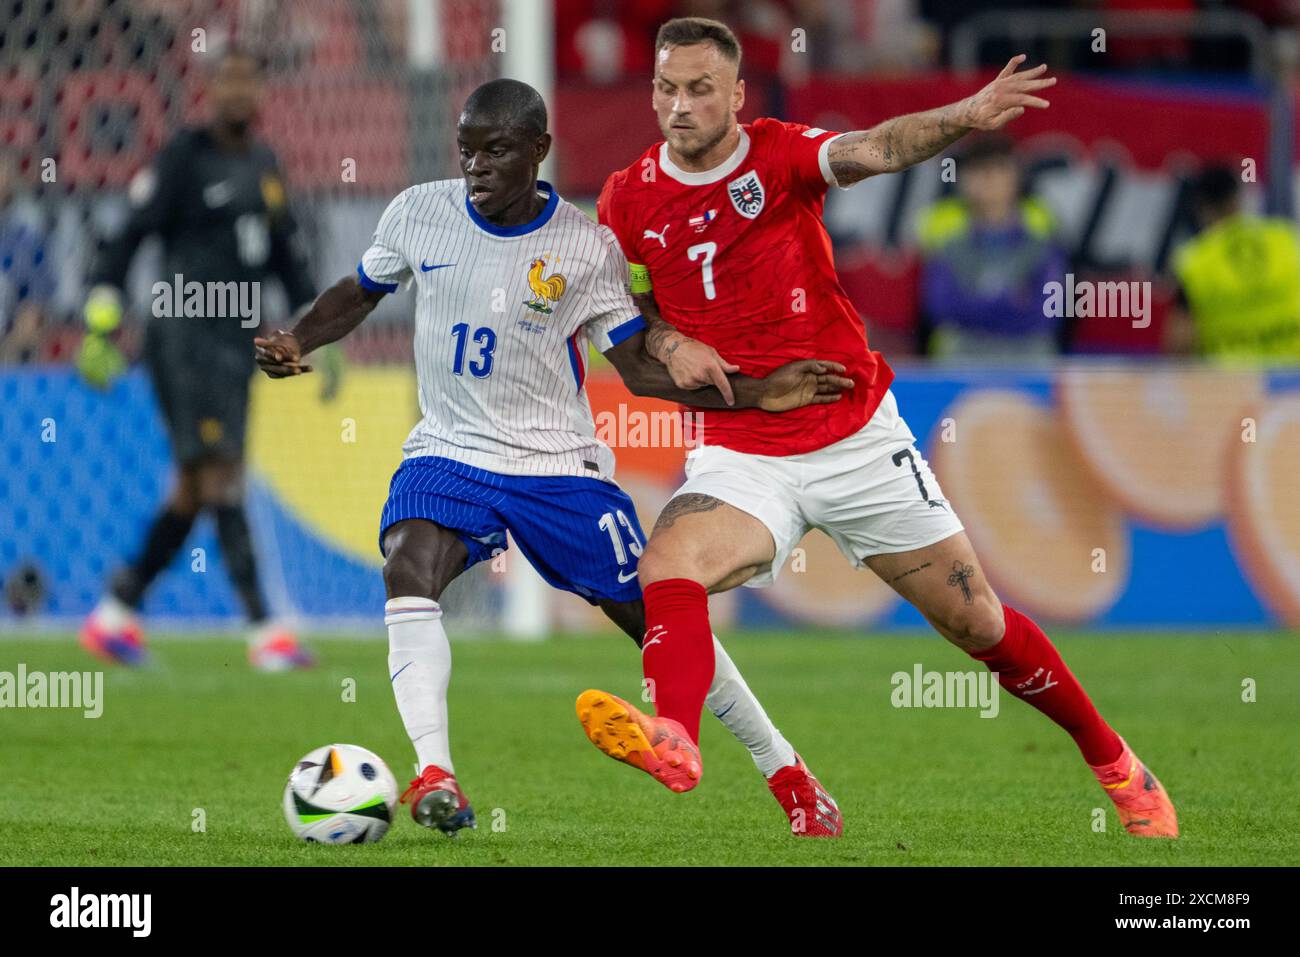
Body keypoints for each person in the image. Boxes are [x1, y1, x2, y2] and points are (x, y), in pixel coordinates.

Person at [579, 16, 1178, 839]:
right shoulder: (626, 197)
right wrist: (672, 338)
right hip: (742, 450)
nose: (679, 105)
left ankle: (1114, 759)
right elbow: (638, 323)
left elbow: (877, 147)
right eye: (665, 88)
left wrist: (965, 113)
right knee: (668, 566)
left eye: (699, 89)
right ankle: (675, 736)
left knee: (979, 624)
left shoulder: (777, 153)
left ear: (737, 94)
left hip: (856, 438)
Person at [253, 78, 855, 837]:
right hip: (450, 450)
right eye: (467, 149)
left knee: (656, 619)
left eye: (496, 150)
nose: (476, 165)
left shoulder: (583, 246)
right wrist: (298, 339)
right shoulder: (419, 212)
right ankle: (434, 772)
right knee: (407, 564)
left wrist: (758, 392)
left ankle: (791, 775)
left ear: (538, 151)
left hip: (557, 466)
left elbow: (637, 369)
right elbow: (360, 289)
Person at [78, 49, 319, 671]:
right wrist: (102, 319)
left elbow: (287, 257)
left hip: (237, 342)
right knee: (221, 472)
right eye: (228, 80)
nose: (239, 91)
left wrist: (316, 331)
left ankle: (116, 612)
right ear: (208, 91)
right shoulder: (182, 158)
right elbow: (128, 234)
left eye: (249, 79)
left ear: (263, 92)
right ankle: (268, 631)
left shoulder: (265, 165)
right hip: (181, 335)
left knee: (192, 487)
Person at [917, 133, 1067, 359]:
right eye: (979, 170)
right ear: (963, 179)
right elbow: (940, 307)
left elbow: (1049, 311)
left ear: (1016, 176)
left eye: (997, 169)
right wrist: (1012, 301)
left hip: (1028, 355)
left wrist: (976, 304)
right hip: (962, 355)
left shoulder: (1043, 228)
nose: (988, 179)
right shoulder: (942, 231)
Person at [1168, 164, 1300, 360]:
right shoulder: (1286, 240)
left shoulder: (1195, 261)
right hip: (1291, 378)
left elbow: (1180, 343)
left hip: (1229, 381)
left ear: (1201, 207)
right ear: (1237, 199)